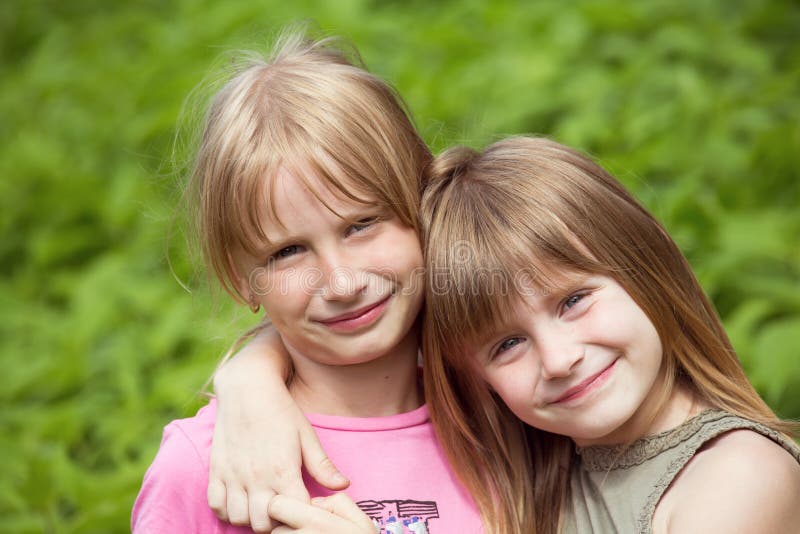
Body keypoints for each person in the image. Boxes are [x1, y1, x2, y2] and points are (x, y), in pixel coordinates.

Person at [212, 136, 800, 533]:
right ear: (476, 374)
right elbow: (377, 322)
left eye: (573, 300)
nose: (560, 358)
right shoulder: (536, 456)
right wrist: (250, 377)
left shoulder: (741, 475)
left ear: (646, 266)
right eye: (506, 345)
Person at [131, 29, 486, 534]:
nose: (341, 282)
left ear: (424, 205)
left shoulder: (509, 409)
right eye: (287, 252)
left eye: (361, 224)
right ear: (240, 279)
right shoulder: (207, 470)